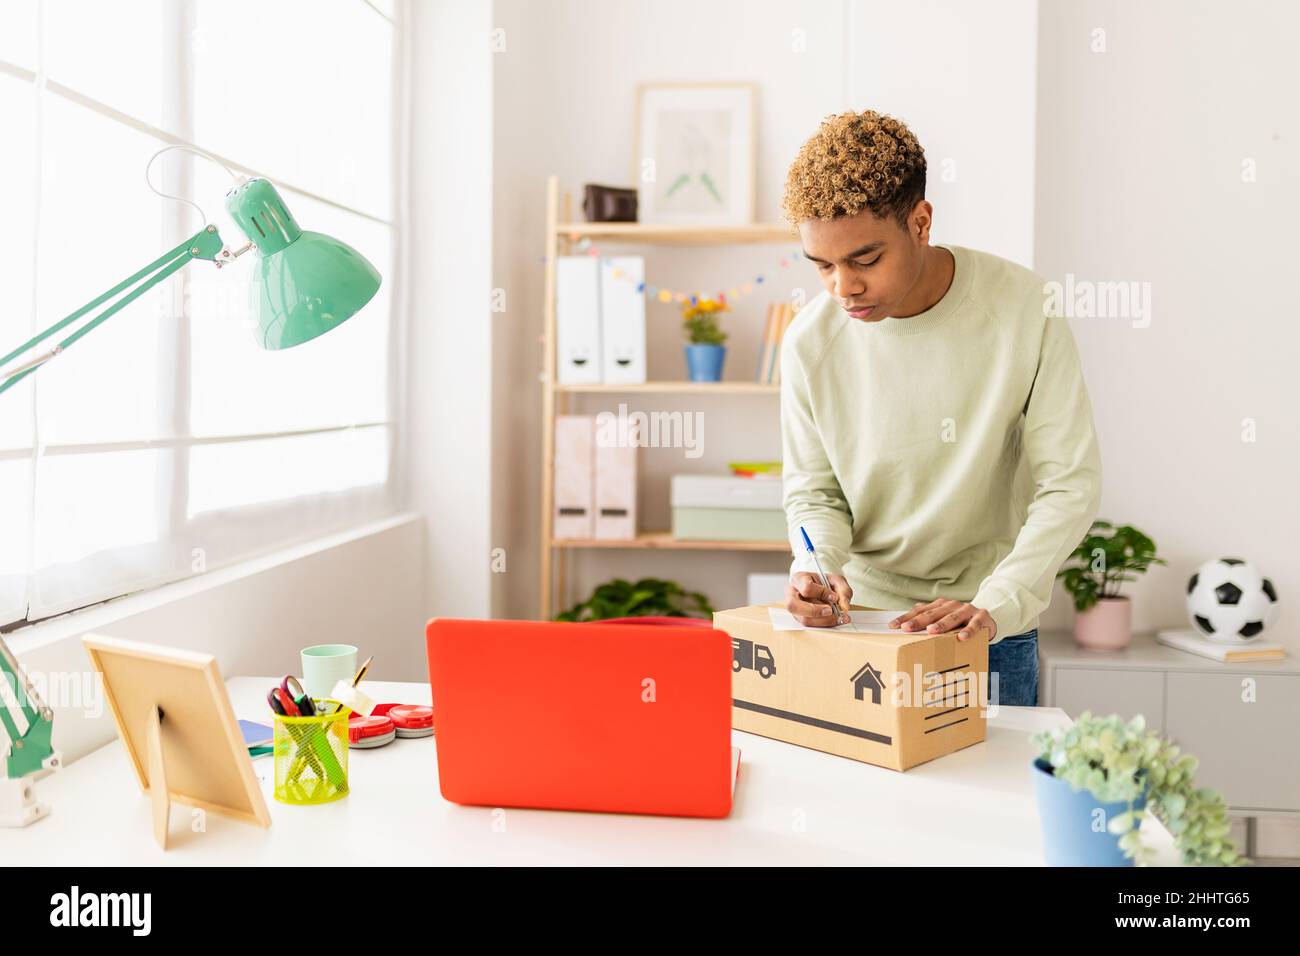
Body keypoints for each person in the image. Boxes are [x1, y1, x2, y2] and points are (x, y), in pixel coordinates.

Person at [779, 109, 1102, 707]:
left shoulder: (1025, 308)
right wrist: (816, 565)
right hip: (865, 625)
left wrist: (996, 603)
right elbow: (814, 493)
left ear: (921, 223)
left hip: (986, 626)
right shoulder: (809, 343)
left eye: (865, 260)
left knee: (991, 798)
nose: (841, 287)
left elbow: (1069, 484)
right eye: (822, 265)